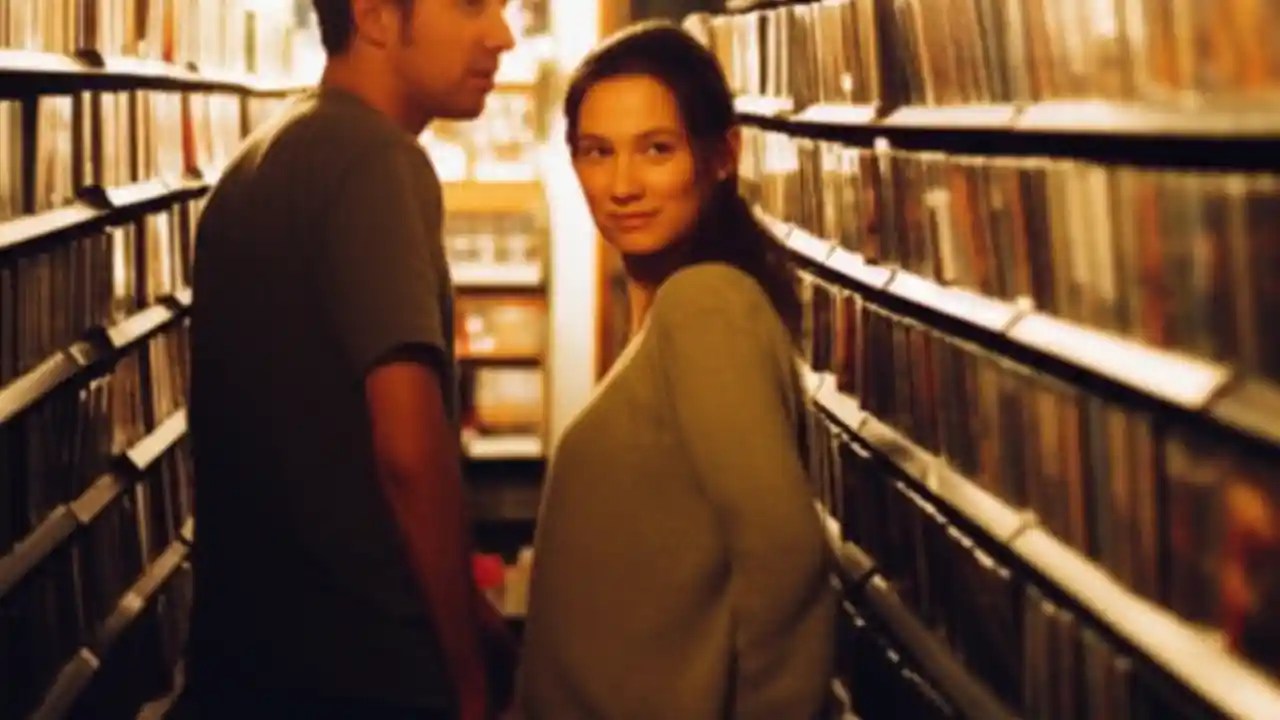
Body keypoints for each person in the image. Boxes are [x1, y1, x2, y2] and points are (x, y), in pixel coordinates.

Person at [181, 1, 515, 718]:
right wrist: (468, 678)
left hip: (250, 667)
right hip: (368, 674)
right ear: (374, 16)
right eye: (470, 6)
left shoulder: (259, 160)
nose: (502, 35)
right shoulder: (377, 162)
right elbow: (407, 449)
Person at [517, 21, 836, 720]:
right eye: (597, 152)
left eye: (656, 150)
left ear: (722, 156)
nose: (622, 184)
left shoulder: (706, 304)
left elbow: (788, 559)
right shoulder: (674, 309)